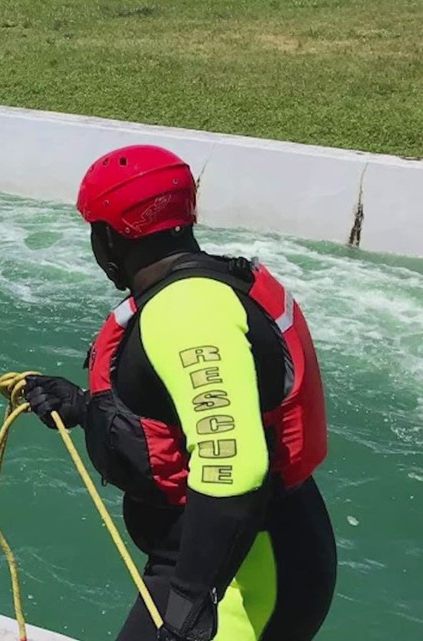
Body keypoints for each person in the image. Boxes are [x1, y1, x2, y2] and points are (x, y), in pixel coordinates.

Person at [22, 144, 336, 641]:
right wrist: (83, 407)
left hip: (242, 575)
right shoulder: (196, 290)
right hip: (220, 560)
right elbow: (189, 415)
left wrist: (189, 607)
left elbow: (233, 464)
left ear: (107, 238)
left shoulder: (189, 311)